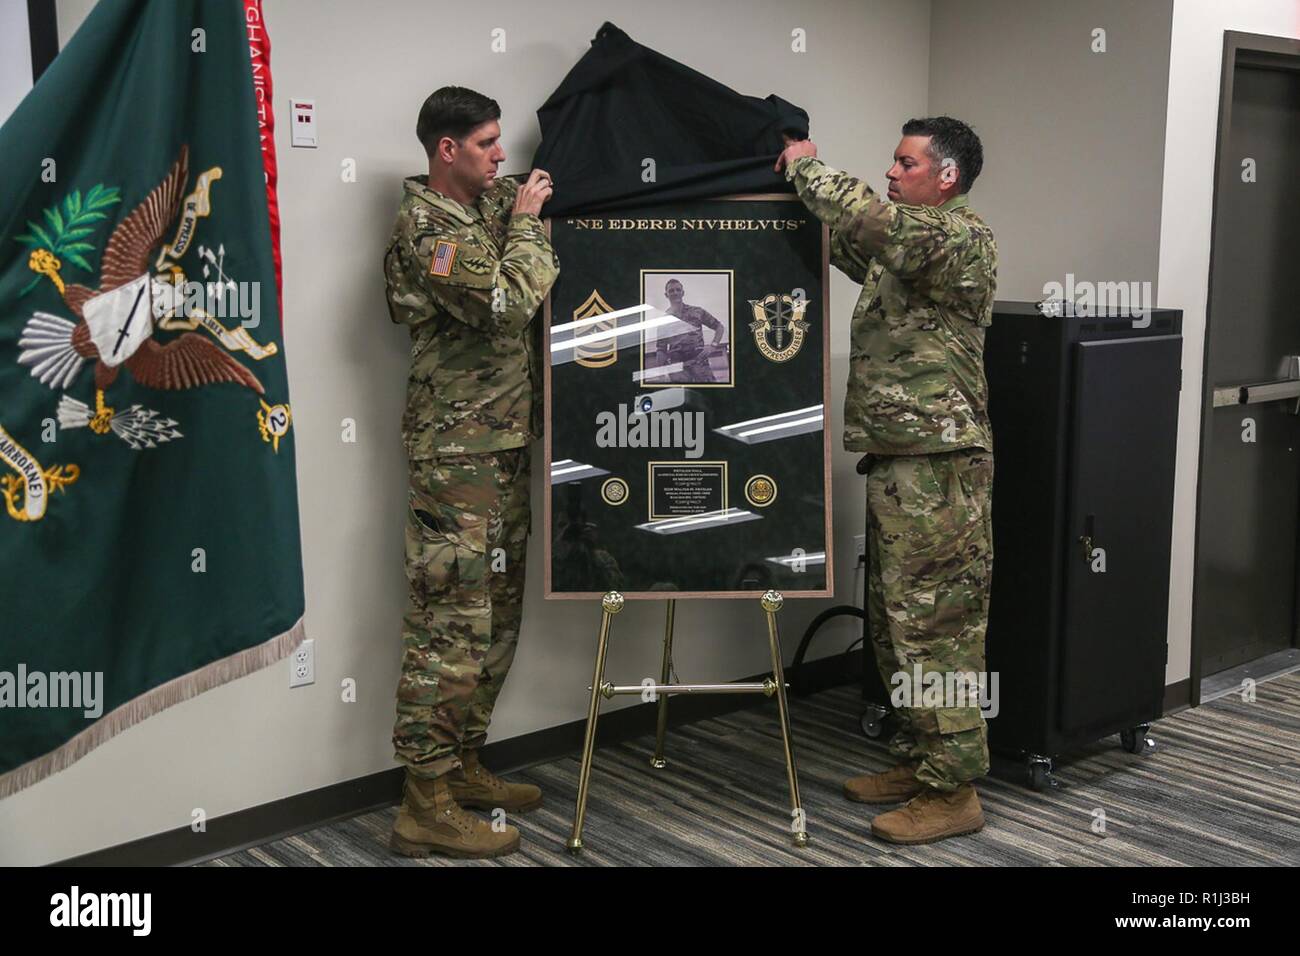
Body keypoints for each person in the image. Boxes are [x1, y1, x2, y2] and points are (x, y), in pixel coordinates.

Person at [776, 116, 997, 845]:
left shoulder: (958, 238)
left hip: (940, 471)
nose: (893, 172)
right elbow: (848, 238)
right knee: (900, 628)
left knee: (939, 632)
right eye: (893, 163)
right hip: (902, 464)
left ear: (947, 179)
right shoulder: (905, 252)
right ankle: (920, 760)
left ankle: (954, 788)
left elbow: (868, 219)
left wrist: (809, 165)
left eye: (906, 163)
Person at [382, 86, 558, 858]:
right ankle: (422, 800)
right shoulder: (430, 229)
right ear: (445, 150)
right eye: (487, 144)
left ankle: (463, 765)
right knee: (449, 623)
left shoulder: (483, 205)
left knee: (496, 612)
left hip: (502, 444)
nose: (501, 155)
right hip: (454, 458)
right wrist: (528, 229)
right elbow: (503, 304)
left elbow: (528, 193)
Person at [656, 278, 725, 383]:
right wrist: (660, 374)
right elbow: (661, 349)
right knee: (683, 397)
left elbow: (719, 327)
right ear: (666, 295)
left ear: (682, 293)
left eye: (678, 290)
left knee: (711, 394)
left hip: (699, 363)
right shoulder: (663, 320)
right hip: (677, 368)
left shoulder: (697, 311)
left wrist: (713, 346)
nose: (675, 293)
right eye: (671, 291)